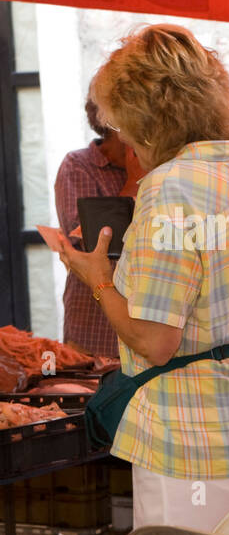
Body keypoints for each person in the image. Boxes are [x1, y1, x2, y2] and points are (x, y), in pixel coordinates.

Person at [49, 24, 229, 535]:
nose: (124, 142)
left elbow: (154, 339)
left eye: (123, 123)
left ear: (147, 113)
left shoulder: (170, 190)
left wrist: (97, 280)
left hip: (188, 442)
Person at [52, 97, 142, 356]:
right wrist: (134, 183)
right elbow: (90, 243)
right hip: (95, 321)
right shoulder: (78, 166)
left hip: (142, 317)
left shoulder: (158, 166)